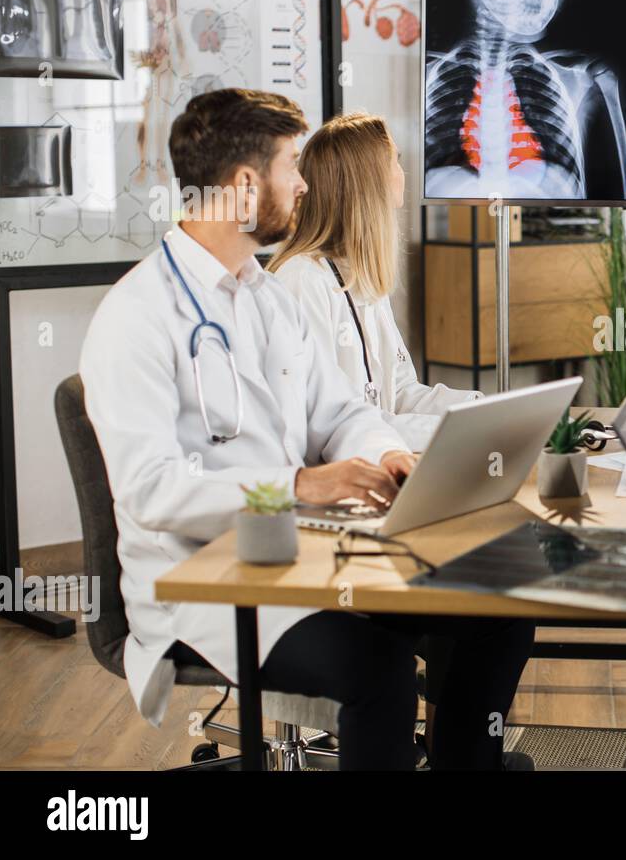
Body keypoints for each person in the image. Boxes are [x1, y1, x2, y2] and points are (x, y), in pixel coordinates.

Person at [81, 88, 531, 770]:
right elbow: (150, 491)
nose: (302, 183)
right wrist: (298, 484)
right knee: (377, 671)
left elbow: (343, 411)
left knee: (496, 613)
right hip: (207, 583)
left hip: (311, 555)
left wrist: (388, 456)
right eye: (291, 164)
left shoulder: (264, 297)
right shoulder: (137, 316)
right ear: (243, 184)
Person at [269, 112, 480, 452]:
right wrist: (459, 430)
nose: (402, 172)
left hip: (379, 459)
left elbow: (398, 394)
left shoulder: (359, 275)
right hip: (336, 478)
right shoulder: (302, 280)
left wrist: (479, 409)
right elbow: (329, 424)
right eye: (394, 160)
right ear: (368, 181)